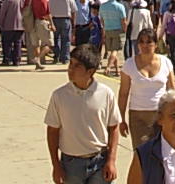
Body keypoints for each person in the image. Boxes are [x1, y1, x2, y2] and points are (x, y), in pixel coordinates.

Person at [45, 44, 121, 184]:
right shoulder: (59, 96)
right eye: (71, 63)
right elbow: (52, 131)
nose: (70, 69)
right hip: (71, 165)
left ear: (90, 71)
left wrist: (111, 160)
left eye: (77, 66)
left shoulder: (106, 94)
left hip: (100, 161)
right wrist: (56, 166)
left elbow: (114, 128)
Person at [118, 26, 175, 148]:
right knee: (140, 152)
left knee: (162, 151)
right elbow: (123, 94)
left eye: (149, 42)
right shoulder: (129, 64)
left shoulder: (166, 62)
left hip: (161, 115)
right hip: (138, 116)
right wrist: (121, 119)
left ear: (156, 44)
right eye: (142, 42)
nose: (145, 45)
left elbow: (172, 90)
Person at [98, 0, 128, 75]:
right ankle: (108, 67)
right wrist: (125, 30)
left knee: (112, 50)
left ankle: (117, 70)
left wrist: (104, 27)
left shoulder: (102, 6)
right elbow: (123, 20)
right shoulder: (120, 6)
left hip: (107, 29)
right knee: (115, 50)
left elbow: (101, 19)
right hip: (117, 29)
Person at [0, 0, 27, 67]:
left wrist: (0, 22)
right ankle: (17, 60)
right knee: (18, 43)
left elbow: (3, 12)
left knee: (7, 43)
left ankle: (7, 59)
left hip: (8, 24)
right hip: (21, 24)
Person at [49, 0, 77, 65]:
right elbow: (74, 11)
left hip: (55, 19)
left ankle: (56, 56)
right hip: (66, 20)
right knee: (66, 39)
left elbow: (49, 10)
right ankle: (65, 58)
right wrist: (74, 23)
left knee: (56, 38)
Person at [30, 0, 55, 70]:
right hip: (42, 21)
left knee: (36, 44)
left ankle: (38, 64)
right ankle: (38, 58)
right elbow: (47, 13)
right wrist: (52, 24)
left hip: (31, 22)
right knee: (49, 44)